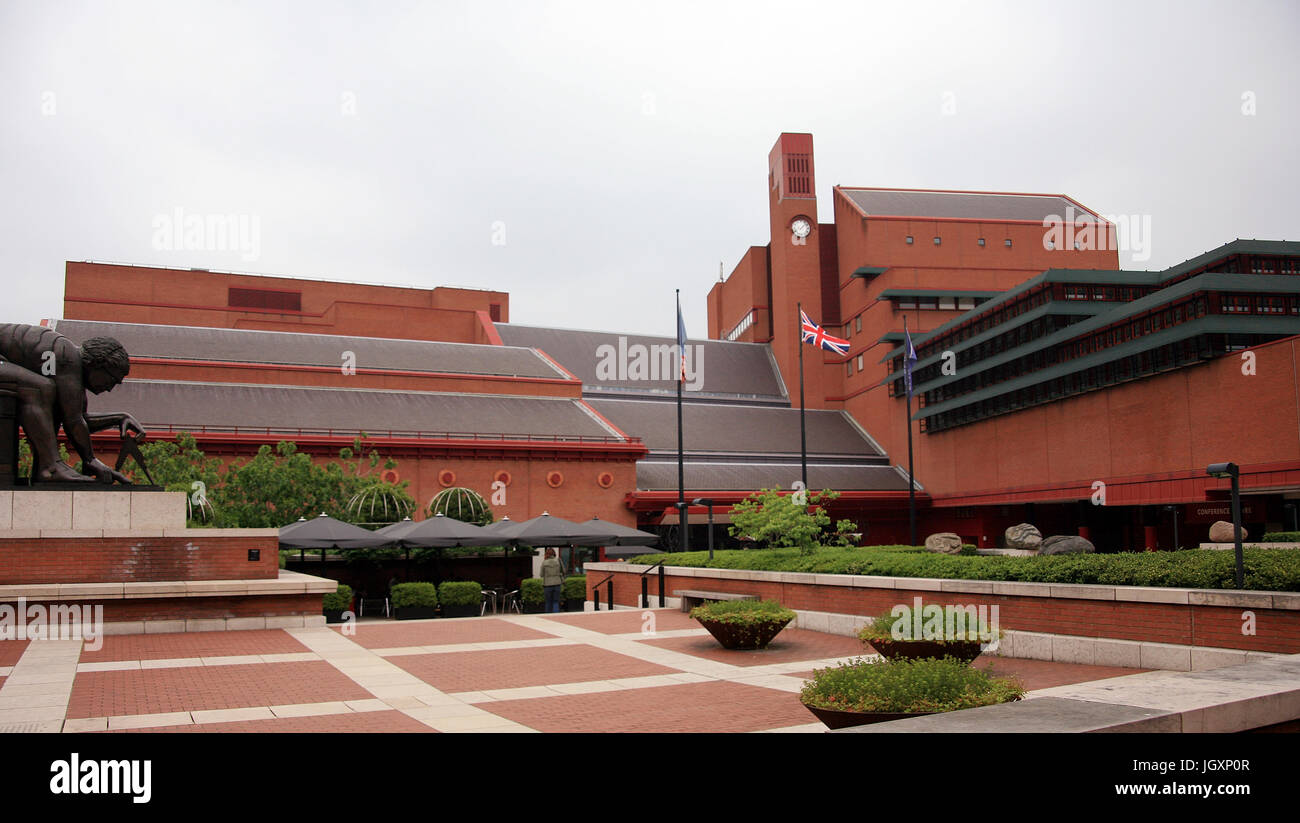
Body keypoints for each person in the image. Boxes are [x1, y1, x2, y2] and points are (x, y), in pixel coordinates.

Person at [0, 323, 142, 483]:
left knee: (50, 397)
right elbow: (73, 422)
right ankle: (50, 469)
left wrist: (119, 418)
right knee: (41, 389)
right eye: (112, 380)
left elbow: (79, 420)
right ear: (99, 364)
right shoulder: (67, 358)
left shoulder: (70, 369)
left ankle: (46, 468)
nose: (109, 388)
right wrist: (90, 460)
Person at [540, 548, 564, 613]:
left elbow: (541, 574)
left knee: (548, 602)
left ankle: (548, 616)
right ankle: (556, 615)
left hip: (547, 584)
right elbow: (563, 571)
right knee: (555, 601)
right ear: (554, 553)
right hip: (557, 583)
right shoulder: (558, 560)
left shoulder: (544, 562)